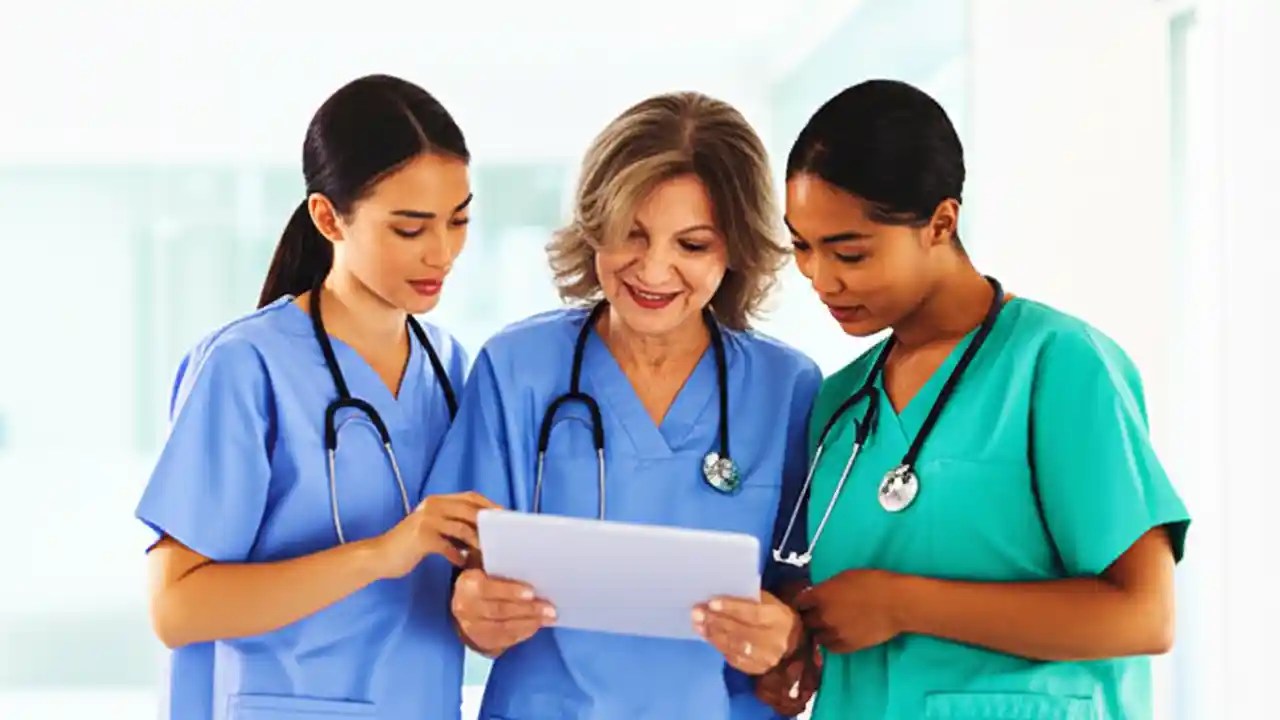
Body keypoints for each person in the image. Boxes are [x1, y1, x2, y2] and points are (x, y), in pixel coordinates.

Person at [752, 79, 1191, 720]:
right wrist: (798, 646)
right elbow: (838, 601)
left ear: (941, 223)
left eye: (850, 251)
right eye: (802, 246)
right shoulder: (842, 402)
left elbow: (1143, 615)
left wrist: (904, 605)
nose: (822, 278)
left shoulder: (1059, 366)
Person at [425, 91, 823, 719]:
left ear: (736, 250)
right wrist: (473, 610)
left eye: (691, 245)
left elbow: (807, 587)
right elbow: (456, 571)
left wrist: (793, 640)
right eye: (630, 235)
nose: (653, 269)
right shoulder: (518, 370)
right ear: (593, 228)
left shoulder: (787, 388)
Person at [134, 74, 496, 720]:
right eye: (409, 229)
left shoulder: (450, 369)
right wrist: (382, 553)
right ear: (328, 217)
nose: (442, 252)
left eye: (458, 220)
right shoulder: (247, 367)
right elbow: (176, 608)